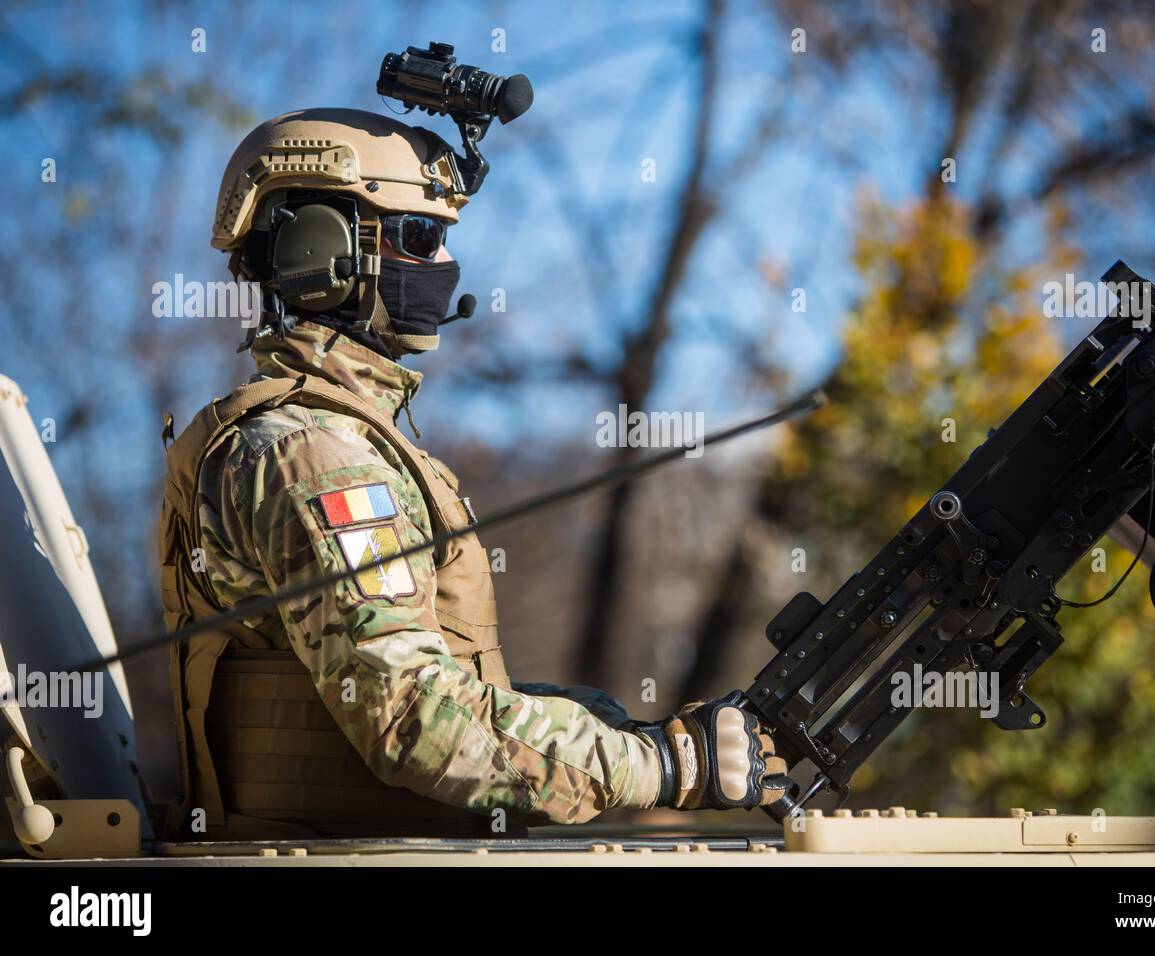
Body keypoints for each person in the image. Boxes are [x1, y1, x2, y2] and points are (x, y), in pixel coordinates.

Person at [157, 108, 788, 839]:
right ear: (322, 248)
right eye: (419, 237)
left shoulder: (323, 438)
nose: (442, 266)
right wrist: (655, 770)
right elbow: (414, 717)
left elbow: (443, 688)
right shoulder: (313, 457)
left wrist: (626, 733)